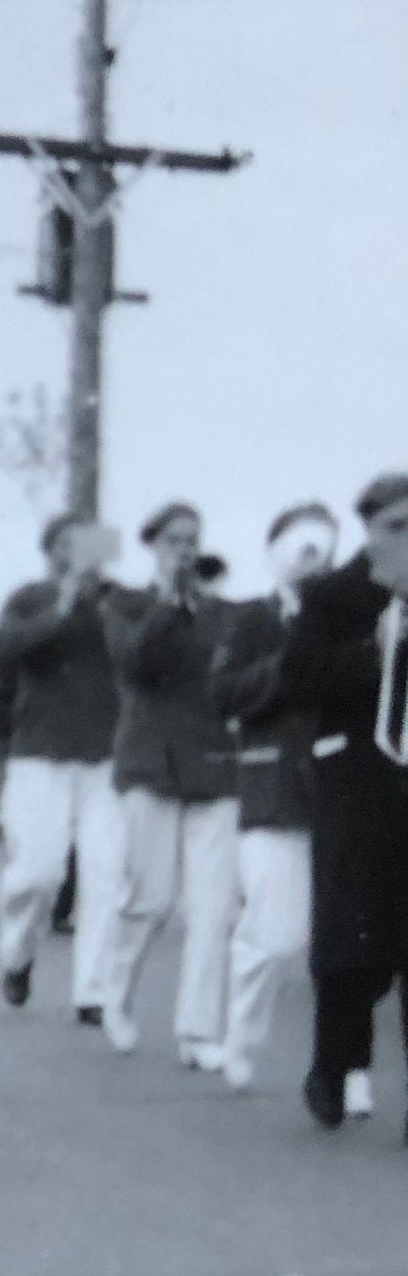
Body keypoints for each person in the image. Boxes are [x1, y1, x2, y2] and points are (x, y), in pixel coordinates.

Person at [277, 472, 408, 1136]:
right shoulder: (332, 596)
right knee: (351, 932)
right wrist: (375, 651)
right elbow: (296, 681)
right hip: (357, 779)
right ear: (369, 530)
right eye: (396, 527)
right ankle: (332, 1067)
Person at [95, 502, 239, 1065]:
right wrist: (168, 604)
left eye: (193, 540)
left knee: (212, 907)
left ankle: (198, 1032)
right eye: (175, 540)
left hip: (211, 763)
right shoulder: (124, 604)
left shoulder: (222, 611)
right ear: (152, 545)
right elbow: (135, 665)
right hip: (150, 764)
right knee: (151, 899)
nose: (185, 550)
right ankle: (117, 992)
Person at [212, 503, 338, 1092]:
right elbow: (225, 695)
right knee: (279, 934)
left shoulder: (349, 615)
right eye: (304, 547)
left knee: (347, 940)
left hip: (342, 789)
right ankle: (242, 1035)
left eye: (325, 548)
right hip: (275, 788)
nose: (315, 560)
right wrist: (287, 662)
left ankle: (347, 1066)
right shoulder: (250, 621)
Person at [0, 513, 126, 1021]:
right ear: (51, 552)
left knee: (105, 876)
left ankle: (93, 992)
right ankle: (17, 956)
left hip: (105, 756)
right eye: (69, 545)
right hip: (40, 753)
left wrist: (107, 604)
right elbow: (4, 651)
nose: (81, 555)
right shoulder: (30, 597)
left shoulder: (116, 602)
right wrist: (64, 604)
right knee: (37, 874)